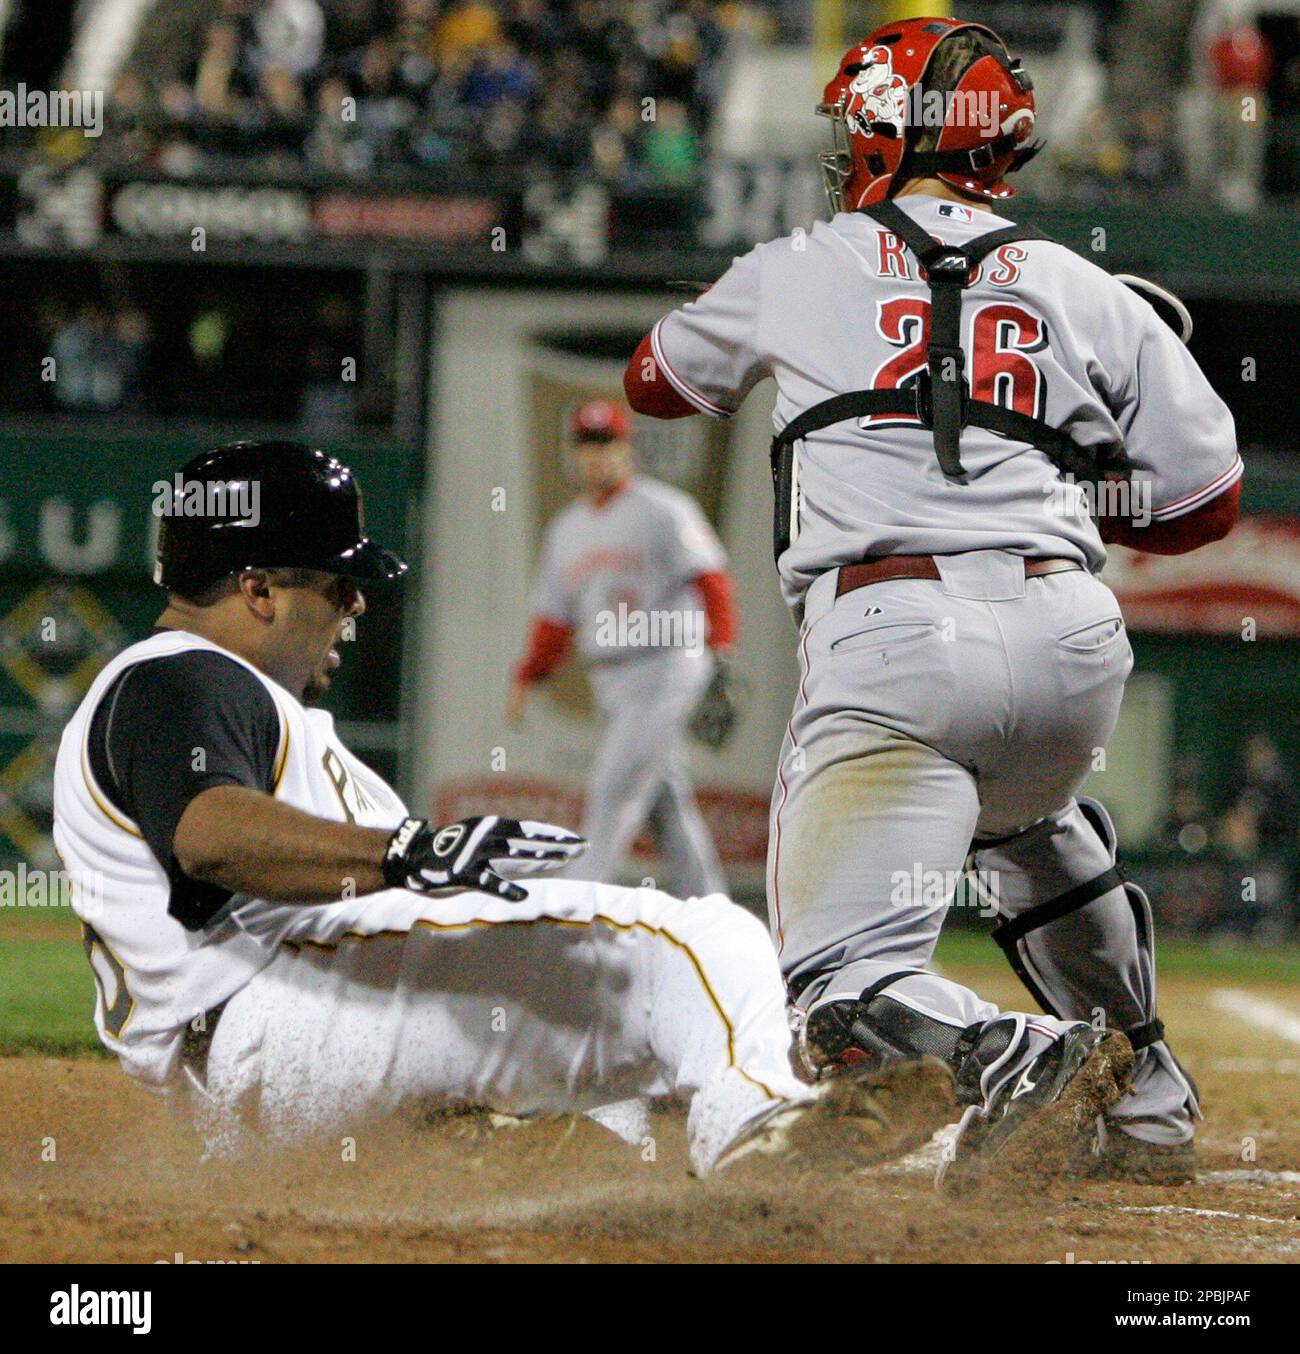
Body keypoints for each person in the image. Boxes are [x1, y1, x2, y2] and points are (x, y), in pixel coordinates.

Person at [625, 15, 1241, 1185]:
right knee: (1028, 828)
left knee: (836, 998)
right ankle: (1148, 1096)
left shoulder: (801, 262)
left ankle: (1011, 1053)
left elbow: (654, 382)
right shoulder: (1082, 284)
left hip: (894, 640)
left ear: (876, 132)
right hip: (1067, 638)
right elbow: (1206, 500)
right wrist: (1059, 488)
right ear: (1002, 146)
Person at [52, 439, 948, 1179]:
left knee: (629, 1126)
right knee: (702, 943)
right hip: (292, 1019)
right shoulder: (180, 675)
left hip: (273, 1078)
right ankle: (754, 1124)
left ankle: (909, 1153)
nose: (357, 601)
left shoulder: (215, 694)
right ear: (257, 591)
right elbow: (210, 835)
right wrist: (406, 849)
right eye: (337, 582)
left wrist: (404, 861)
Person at [509, 399, 733, 900]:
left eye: (605, 442)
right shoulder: (566, 529)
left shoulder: (665, 509)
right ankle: (711, 903)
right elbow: (554, 619)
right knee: (664, 800)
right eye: (586, 444)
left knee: (613, 787)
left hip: (667, 665)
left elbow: (712, 581)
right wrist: (528, 676)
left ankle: (575, 900)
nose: (595, 455)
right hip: (611, 678)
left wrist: (722, 650)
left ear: (627, 447)